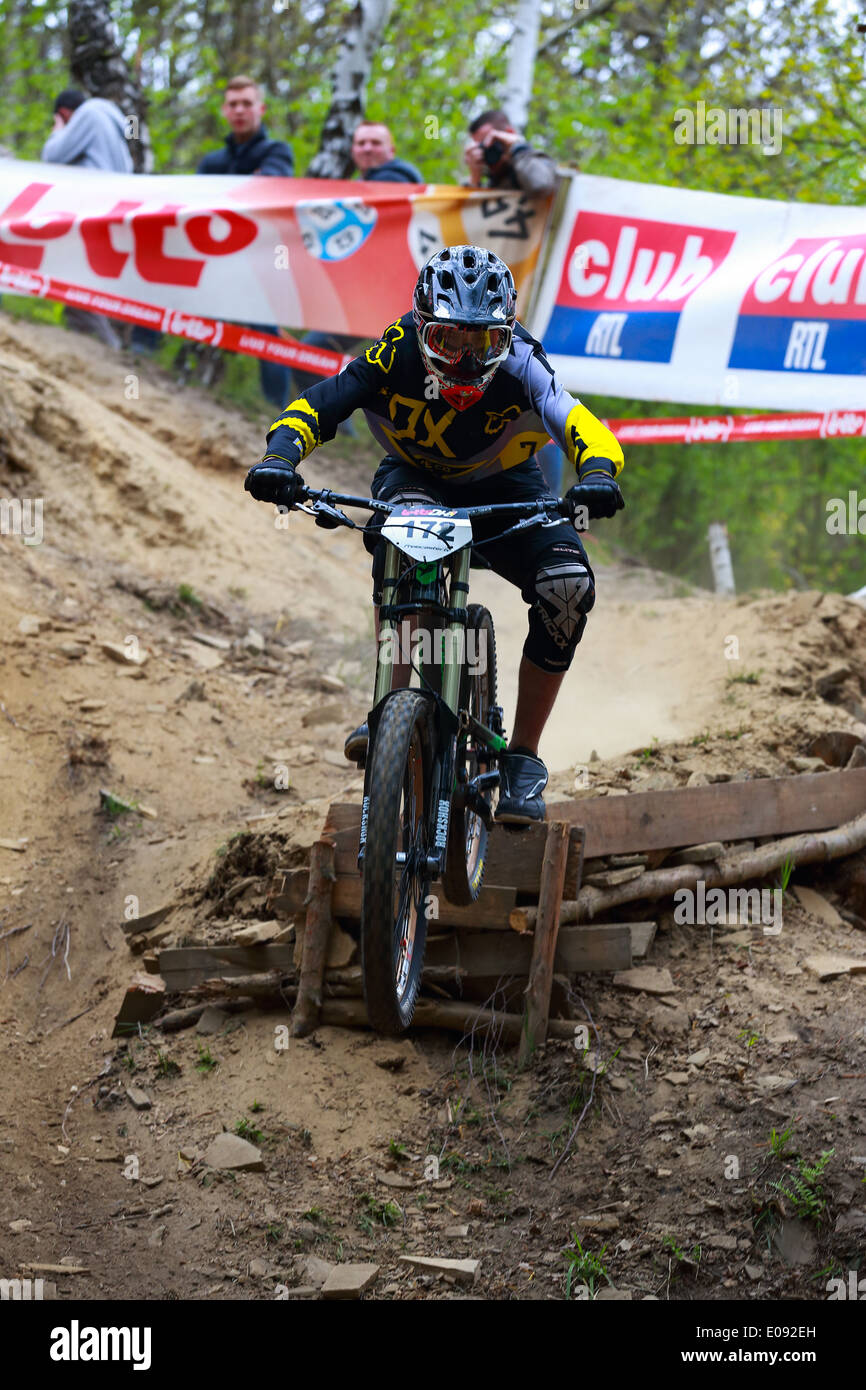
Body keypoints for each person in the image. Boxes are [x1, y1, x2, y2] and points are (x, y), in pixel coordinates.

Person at [245, 244, 624, 824]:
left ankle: (523, 758)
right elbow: (317, 405)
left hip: (508, 485)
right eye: (452, 342)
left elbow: (581, 424)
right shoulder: (392, 351)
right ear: (423, 329)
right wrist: (280, 459)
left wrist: (597, 474)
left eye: (485, 344)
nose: (469, 363)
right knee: (399, 536)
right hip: (415, 476)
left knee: (567, 585)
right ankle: (392, 700)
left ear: (506, 337)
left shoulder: (524, 362)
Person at [290, 121, 423, 406]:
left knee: (310, 355)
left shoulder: (397, 182)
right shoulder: (361, 188)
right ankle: (340, 427)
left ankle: (332, 426)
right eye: (361, 143)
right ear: (352, 150)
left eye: (375, 142)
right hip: (360, 296)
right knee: (321, 359)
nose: (367, 148)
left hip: (384, 299)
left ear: (392, 149)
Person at [196, 76, 295, 409]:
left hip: (261, 262)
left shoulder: (277, 151)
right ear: (225, 110)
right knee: (186, 315)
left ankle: (273, 411)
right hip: (213, 261)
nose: (239, 110)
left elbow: (271, 186)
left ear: (261, 109)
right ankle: (158, 370)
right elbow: (192, 204)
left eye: (247, 103)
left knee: (266, 336)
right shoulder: (212, 161)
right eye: (233, 104)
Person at [42, 89, 133, 349]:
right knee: (84, 288)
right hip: (109, 214)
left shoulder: (89, 114)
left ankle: (103, 352)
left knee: (78, 290)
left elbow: (51, 156)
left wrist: (58, 130)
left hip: (89, 212)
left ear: (64, 113)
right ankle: (95, 351)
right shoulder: (115, 124)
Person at [464, 108, 558, 198]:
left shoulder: (537, 163)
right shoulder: (488, 183)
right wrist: (475, 180)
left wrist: (518, 148)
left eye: (492, 144)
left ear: (509, 134)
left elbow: (540, 186)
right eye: (481, 148)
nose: (486, 152)